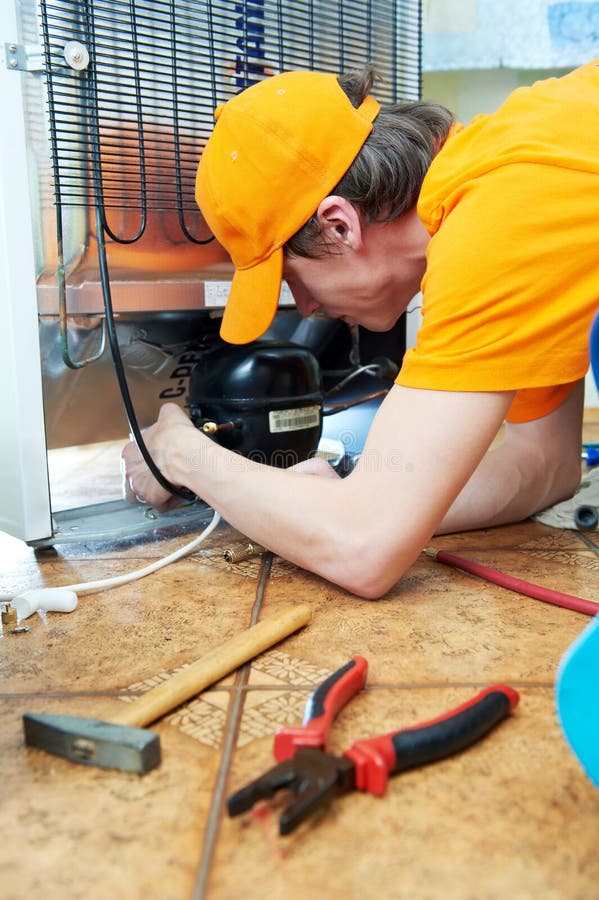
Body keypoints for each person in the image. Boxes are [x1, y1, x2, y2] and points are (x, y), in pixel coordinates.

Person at [121, 61, 599, 599]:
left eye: (292, 278)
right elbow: (546, 464)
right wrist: (365, 501)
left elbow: (363, 549)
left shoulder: (497, 220)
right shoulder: (509, 178)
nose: (303, 308)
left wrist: (185, 455)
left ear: (339, 225)